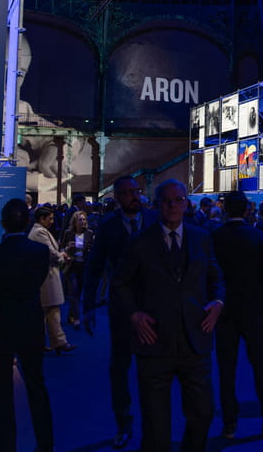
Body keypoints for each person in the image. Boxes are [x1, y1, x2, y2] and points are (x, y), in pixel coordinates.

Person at [111, 179, 224, 452]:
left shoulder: (202, 237)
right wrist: (134, 314)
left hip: (195, 339)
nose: (173, 206)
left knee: (203, 413)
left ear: (186, 203)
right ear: (157, 204)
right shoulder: (140, 242)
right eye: (167, 201)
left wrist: (219, 301)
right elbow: (120, 283)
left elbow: (216, 277)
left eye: (178, 200)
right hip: (154, 342)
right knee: (155, 424)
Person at [0, 198, 55, 452]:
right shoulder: (39, 253)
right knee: (36, 389)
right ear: (27, 222)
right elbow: (39, 281)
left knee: (1, 397)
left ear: (1, 224)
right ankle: (45, 446)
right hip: (29, 325)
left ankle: (7, 447)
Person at [82, 176, 158, 449]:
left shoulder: (154, 219)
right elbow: (94, 267)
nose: (133, 197)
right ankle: (123, 424)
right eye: (127, 193)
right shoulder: (108, 227)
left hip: (155, 308)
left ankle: (154, 426)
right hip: (122, 310)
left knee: (154, 370)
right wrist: (87, 306)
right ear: (117, 197)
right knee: (120, 369)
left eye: (136, 191)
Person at [211, 191, 263, 439]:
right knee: (261, 368)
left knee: (226, 370)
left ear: (225, 210)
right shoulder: (257, 236)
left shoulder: (214, 237)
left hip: (224, 311)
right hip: (254, 309)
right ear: (247, 209)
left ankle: (229, 424)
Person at [28, 205, 76, 354]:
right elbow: (51, 254)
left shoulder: (39, 231)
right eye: (50, 219)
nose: (52, 221)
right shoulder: (39, 232)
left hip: (47, 276)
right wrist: (63, 255)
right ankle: (57, 342)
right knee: (51, 310)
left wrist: (61, 253)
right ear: (42, 219)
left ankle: (50, 342)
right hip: (46, 276)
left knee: (48, 311)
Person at [61, 209, 94, 327]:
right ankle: (76, 318)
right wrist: (67, 248)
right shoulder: (68, 233)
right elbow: (61, 248)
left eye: (84, 219)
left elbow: (93, 250)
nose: (83, 222)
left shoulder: (89, 233)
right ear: (74, 222)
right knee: (73, 291)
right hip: (71, 265)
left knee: (78, 292)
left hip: (83, 266)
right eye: (80, 220)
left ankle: (71, 314)